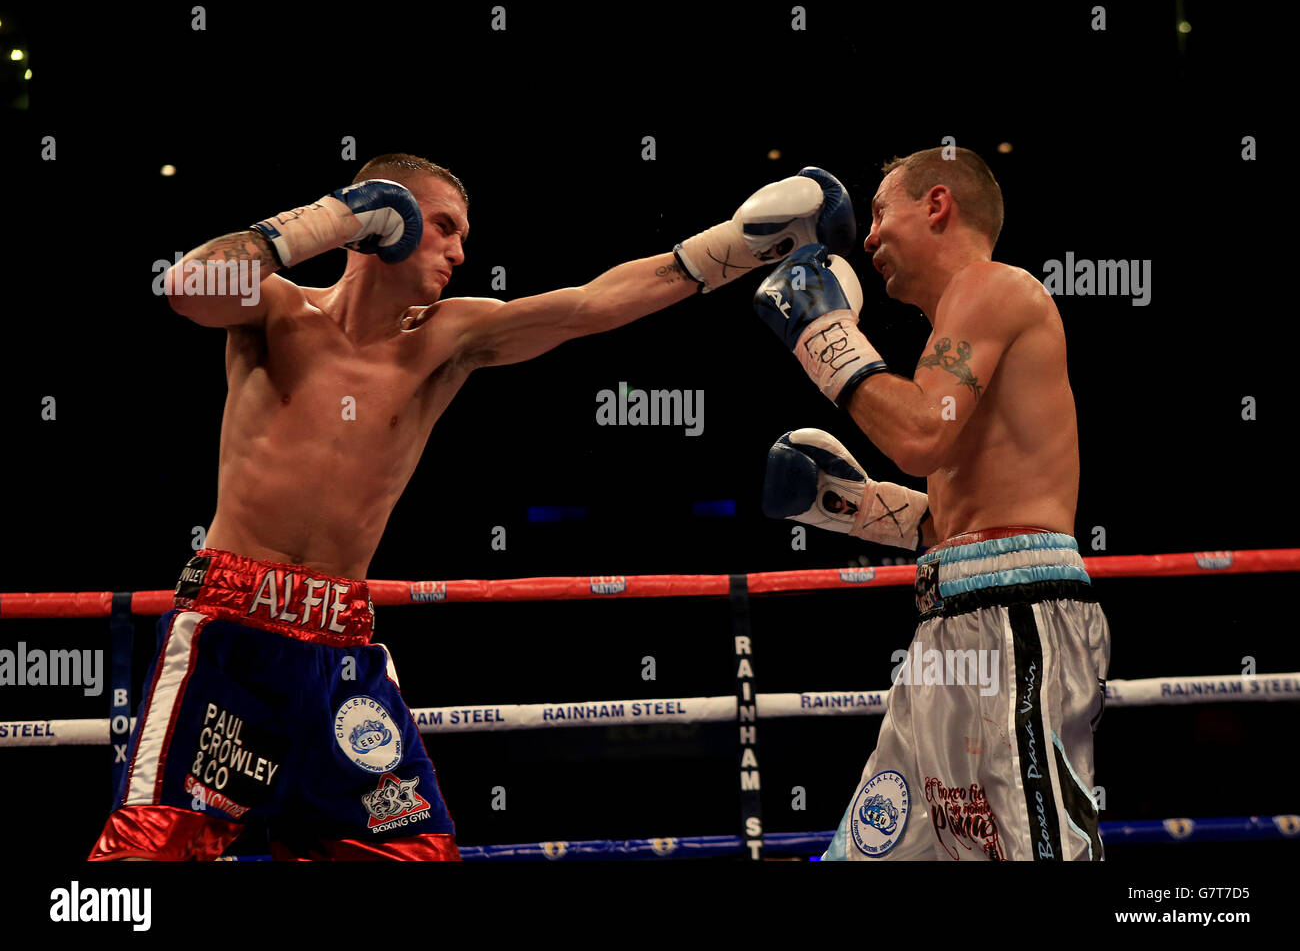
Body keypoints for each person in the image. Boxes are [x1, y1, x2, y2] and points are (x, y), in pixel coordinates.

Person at [88, 153, 855, 860]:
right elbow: (186, 287)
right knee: (149, 851)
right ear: (384, 226)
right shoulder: (276, 311)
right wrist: (332, 215)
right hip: (232, 631)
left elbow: (591, 305)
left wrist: (746, 241)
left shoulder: (447, 338)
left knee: (414, 851)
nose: (459, 252)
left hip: (340, 649)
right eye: (445, 226)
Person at [757, 147, 1109, 861]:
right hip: (954, 624)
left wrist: (825, 337)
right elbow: (960, 513)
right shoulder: (959, 327)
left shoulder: (994, 286)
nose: (871, 237)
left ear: (939, 204)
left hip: (1016, 617)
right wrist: (855, 506)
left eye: (883, 211)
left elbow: (919, 432)